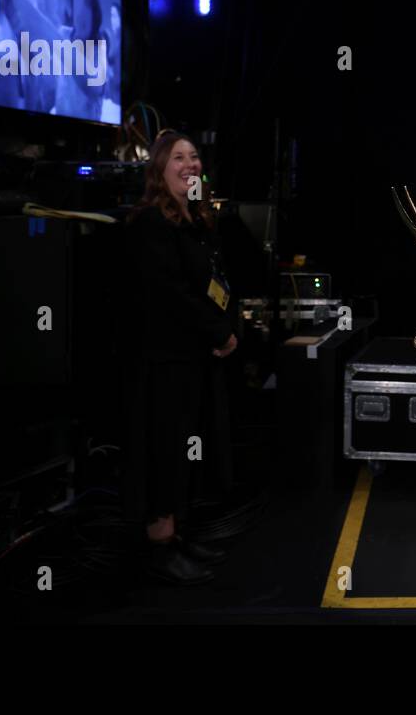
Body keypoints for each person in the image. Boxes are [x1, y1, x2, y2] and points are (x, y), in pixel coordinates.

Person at [124, 131, 239, 584]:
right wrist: (217, 331)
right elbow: (169, 294)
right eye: (178, 158)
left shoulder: (195, 221)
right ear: (159, 168)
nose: (189, 164)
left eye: (194, 158)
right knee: (164, 451)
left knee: (187, 450)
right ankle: (159, 546)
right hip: (162, 363)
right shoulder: (150, 223)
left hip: (193, 358)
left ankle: (178, 534)